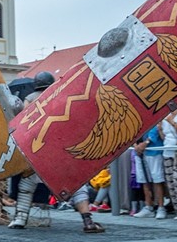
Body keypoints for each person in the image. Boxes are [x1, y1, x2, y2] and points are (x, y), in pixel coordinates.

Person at [7, 71, 105, 233]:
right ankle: (87, 221)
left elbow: (23, 126)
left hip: (38, 151)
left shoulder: (30, 99)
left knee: (27, 183)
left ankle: (20, 219)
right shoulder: (63, 96)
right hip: (60, 151)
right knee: (76, 185)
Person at [132, 125, 167, 218]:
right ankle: (148, 206)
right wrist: (135, 145)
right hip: (139, 153)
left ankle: (161, 207)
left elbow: (155, 128)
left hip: (153, 151)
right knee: (143, 180)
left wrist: (145, 143)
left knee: (157, 180)